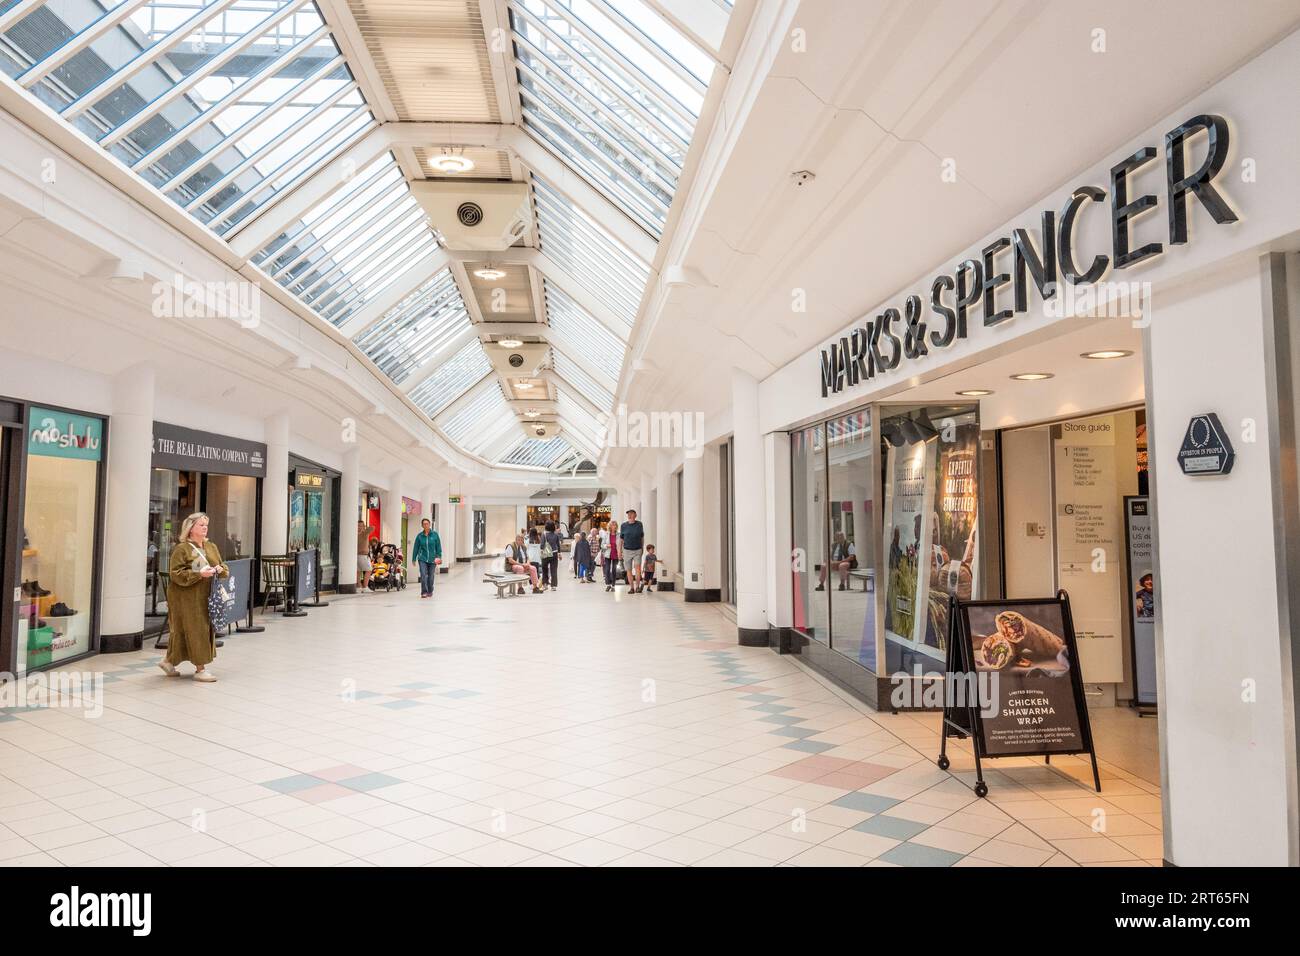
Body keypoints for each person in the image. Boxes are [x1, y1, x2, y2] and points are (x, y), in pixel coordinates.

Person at [160, 512, 228, 682]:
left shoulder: (211, 546)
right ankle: (200, 668)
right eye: (201, 525)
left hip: (207, 596)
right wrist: (199, 574)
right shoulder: (181, 549)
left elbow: (223, 566)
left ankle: (168, 661)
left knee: (189, 630)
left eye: (206, 525)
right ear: (190, 529)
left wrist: (221, 569)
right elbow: (175, 574)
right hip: (185, 598)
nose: (205, 528)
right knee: (197, 629)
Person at [411, 518, 442, 599]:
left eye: (427, 523)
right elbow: (416, 548)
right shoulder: (419, 536)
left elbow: (438, 547)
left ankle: (430, 591)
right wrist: (414, 558)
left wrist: (439, 556)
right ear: (422, 525)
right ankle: (424, 592)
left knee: (431, 576)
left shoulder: (435, 535)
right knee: (423, 575)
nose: (426, 525)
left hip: (433, 559)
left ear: (429, 524)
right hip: (422, 559)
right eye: (424, 524)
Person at [619, 509, 646, 594]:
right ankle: (631, 588)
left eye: (631, 514)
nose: (629, 515)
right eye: (628, 514)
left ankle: (637, 587)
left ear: (635, 515)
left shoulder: (639, 524)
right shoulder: (623, 525)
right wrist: (619, 551)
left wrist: (642, 548)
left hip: (637, 550)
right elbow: (621, 540)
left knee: (638, 569)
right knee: (629, 570)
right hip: (627, 550)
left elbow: (642, 537)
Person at [541, 521, 562, 590]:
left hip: (546, 553)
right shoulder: (556, 535)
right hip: (554, 553)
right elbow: (558, 545)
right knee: (554, 570)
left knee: (544, 569)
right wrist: (559, 554)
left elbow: (542, 545)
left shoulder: (544, 534)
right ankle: (553, 586)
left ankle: (545, 584)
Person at [603, 520, 619, 592]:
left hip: (616, 554)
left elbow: (622, 544)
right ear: (610, 526)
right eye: (613, 525)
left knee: (614, 570)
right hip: (608, 554)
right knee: (607, 570)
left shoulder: (619, 534)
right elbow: (602, 545)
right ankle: (608, 584)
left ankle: (613, 585)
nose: (614, 526)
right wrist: (606, 545)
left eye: (615, 525)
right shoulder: (606, 534)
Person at [357, 520, 373, 590]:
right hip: (362, 556)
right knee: (369, 570)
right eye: (358, 526)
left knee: (358, 571)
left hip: (357, 556)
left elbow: (372, 528)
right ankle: (365, 587)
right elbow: (372, 527)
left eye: (361, 526)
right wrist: (364, 529)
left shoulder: (355, 534)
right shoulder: (364, 534)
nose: (359, 527)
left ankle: (359, 586)